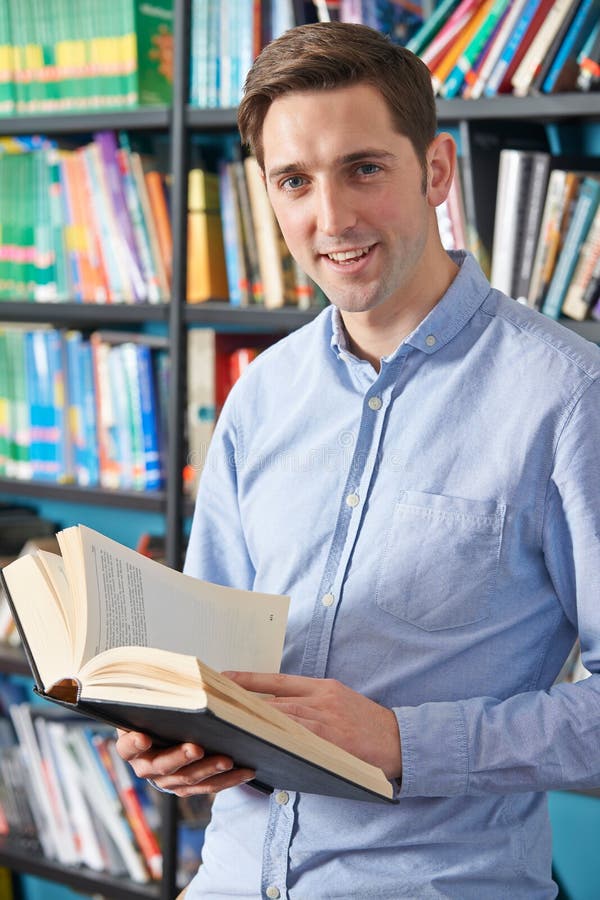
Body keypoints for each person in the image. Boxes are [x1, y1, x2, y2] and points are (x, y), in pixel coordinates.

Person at [117, 21, 600, 898]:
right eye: (294, 181)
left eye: (364, 169)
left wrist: (404, 743)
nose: (331, 219)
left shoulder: (568, 398)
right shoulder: (259, 394)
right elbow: (205, 657)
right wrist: (169, 731)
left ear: (436, 171)